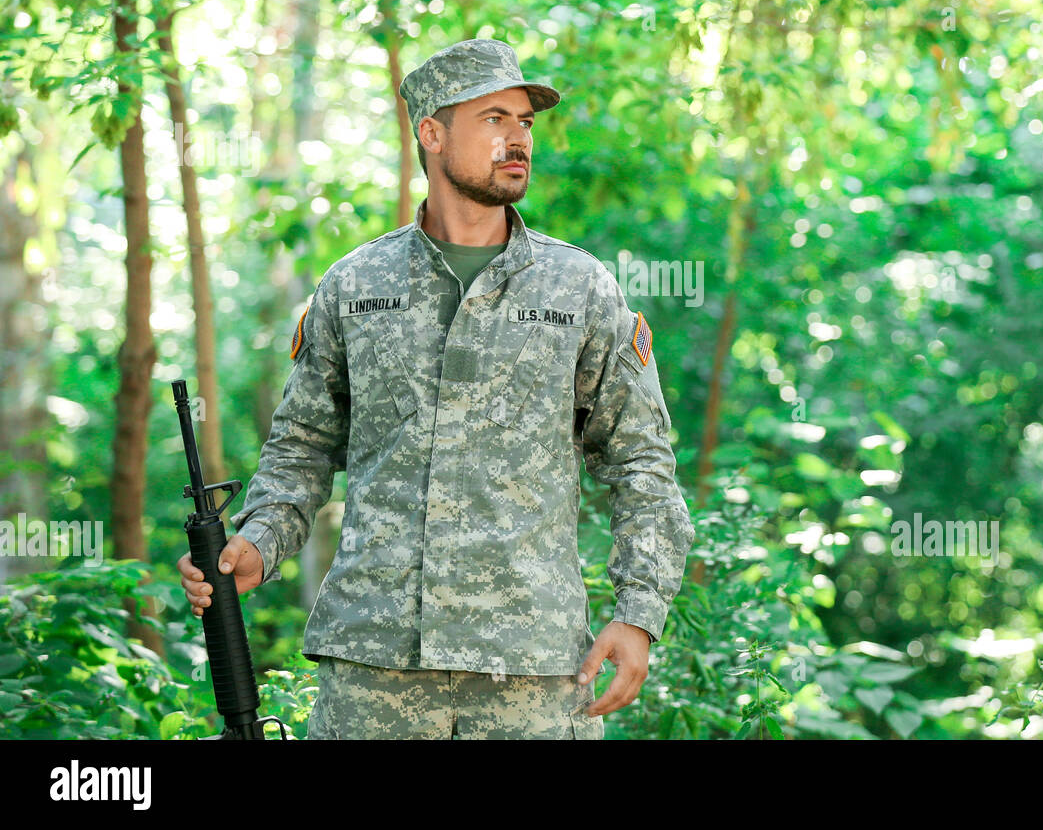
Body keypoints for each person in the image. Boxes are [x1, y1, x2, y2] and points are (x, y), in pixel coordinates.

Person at [176, 38, 695, 739]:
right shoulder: (355, 285)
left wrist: (638, 612)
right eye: (493, 118)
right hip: (374, 670)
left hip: (531, 675)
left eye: (526, 122)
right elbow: (299, 451)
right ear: (432, 133)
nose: (517, 138)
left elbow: (640, 461)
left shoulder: (579, 288)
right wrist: (257, 544)